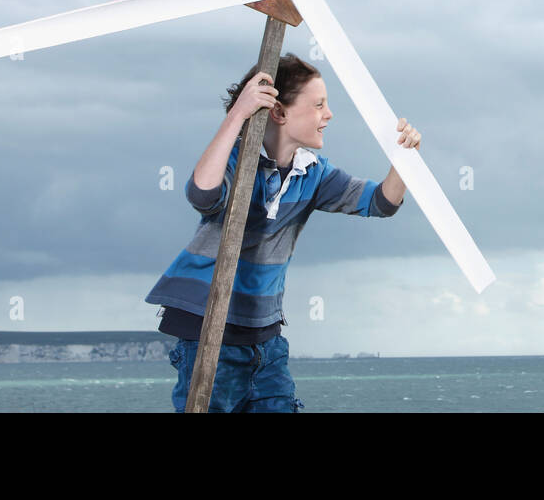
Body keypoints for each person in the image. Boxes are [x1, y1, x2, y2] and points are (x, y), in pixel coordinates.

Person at [144, 53, 420, 412]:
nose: (329, 114)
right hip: (207, 327)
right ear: (279, 112)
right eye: (318, 104)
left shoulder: (314, 173)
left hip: (266, 337)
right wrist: (238, 115)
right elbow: (203, 194)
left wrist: (406, 156)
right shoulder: (237, 159)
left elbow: (380, 202)